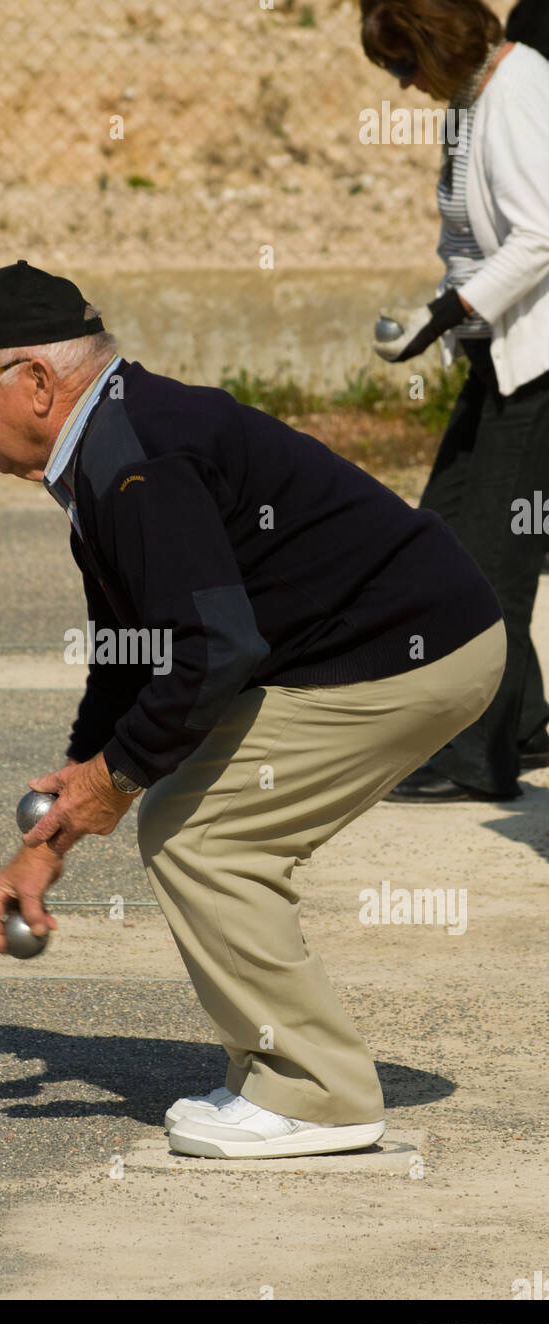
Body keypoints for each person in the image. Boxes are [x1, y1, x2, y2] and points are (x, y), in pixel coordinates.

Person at [0, 260, 506, 1159]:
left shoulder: (135, 458)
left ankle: (317, 1094)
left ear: (35, 382)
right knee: (187, 809)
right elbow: (133, 657)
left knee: (202, 834)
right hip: (381, 642)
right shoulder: (106, 446)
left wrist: (116, 780)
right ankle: (282, 1074)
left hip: (413, 651)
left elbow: (214, 649)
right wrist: (54, 833)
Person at [358, 0, 549, 802]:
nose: (403, 85)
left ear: (436, 45)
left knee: (490, 565)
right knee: (438, 537)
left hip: (538, 372)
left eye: (404, 65)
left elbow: (540, 235)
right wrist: (438, 321)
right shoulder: (474, 98)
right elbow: (469, 240)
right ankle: (524, 723)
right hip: (500, 361)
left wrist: (449, 310)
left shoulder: (517, 92)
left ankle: (478, 758)